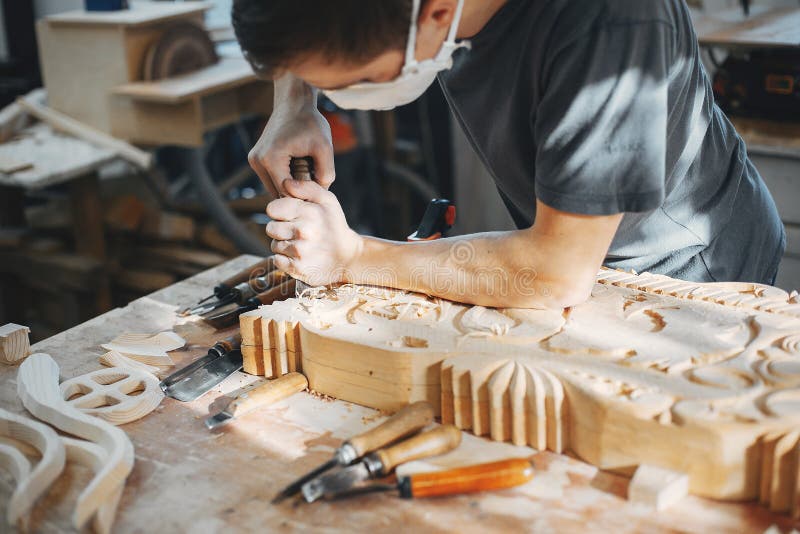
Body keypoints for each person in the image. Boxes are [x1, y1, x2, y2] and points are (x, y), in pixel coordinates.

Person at [232, 0, 785, 309]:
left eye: (362, 81)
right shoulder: (422, 15)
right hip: (564, 248)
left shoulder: (610, 27)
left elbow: (555, 272)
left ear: (436, 13)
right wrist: (296, 99)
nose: (348, 98)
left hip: (678, 265)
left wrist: (354, 257)